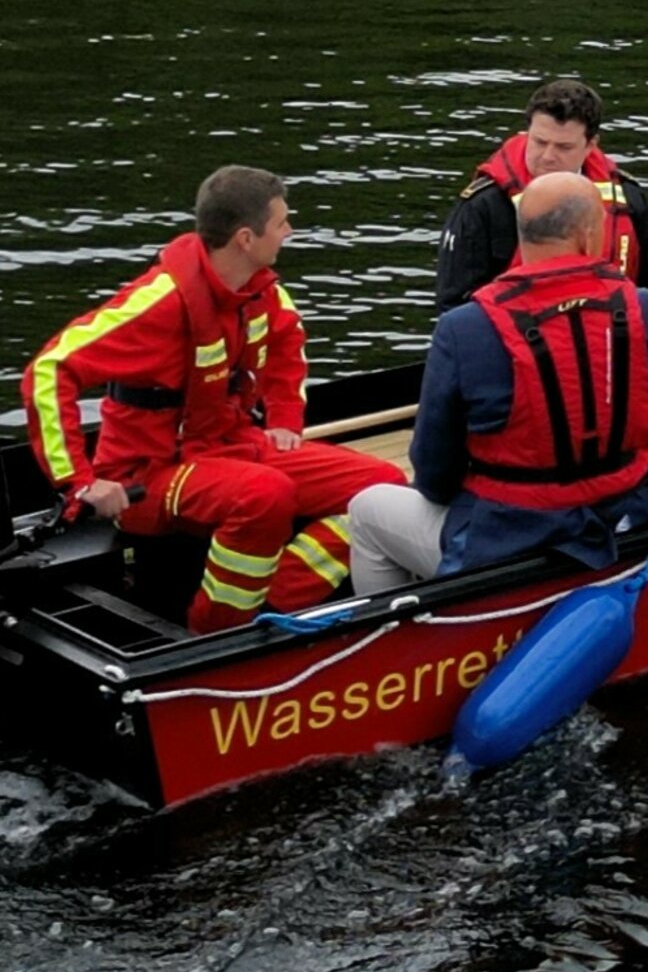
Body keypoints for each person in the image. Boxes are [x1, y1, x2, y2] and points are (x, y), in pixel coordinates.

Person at [22, 166, 403, 635]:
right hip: (149, 473)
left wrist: (285, 417)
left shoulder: (259, 290)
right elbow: (49, 369)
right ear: (246, 238)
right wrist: (79, 483)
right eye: (281, 222)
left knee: (380, 489)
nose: (289, 231)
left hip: (230, 446)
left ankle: (277, 605)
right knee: (264, 494)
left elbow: (288, 343)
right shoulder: (160, 303)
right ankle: (217, 633)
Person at [349, 172, 648, 594]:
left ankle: (397, 628)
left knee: (366, 510)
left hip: (509, 537)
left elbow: (434, 472)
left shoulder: (464, 327)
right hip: (621, 520)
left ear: (522, 235)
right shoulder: (640, 306)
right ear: (589, 236)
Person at [434, 77, 648, 321]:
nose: (547, 157)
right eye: (539, 142)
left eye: (564, 147)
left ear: (590, 145)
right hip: (517, 340)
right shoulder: (484, 205)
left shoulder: (627, 197)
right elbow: (455, 304)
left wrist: (644, 341)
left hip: (612, 337)